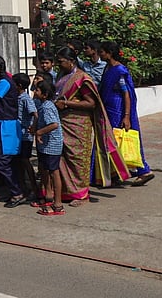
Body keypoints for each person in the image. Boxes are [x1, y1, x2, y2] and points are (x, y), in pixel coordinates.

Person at [54, 47, 129, 206]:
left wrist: (66, 103)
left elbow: (91, 103)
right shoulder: (62, 76)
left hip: (78, 125)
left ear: (71, 61)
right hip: (61, 123)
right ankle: (65, 191)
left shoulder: (82, 78)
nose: (57, 65)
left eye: (60, 62)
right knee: (61, 158)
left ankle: (81, 194)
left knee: (77, 160)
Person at [99, 41, 155, 186]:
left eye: (102, 52)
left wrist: (126, 116)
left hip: (118, 110)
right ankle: (115, 172)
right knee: (112, 142)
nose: (100, 54)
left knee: (121, 141)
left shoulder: (119, 71)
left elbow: (126, 94)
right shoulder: (108, 68)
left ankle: (143, 170)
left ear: (109, 53)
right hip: (109, 109)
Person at [0, 53, 25, 208]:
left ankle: (17, 192)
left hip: (5, 125)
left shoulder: (4, 82)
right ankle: (14, 190)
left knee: (1, 160)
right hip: (3, 124)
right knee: (7, 161)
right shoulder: (5, 81)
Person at [31, 77, 65, 216]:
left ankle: (58, 204)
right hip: (44, 145)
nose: (35, 91)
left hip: (52, 145)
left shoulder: (47, 106)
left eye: (37, 90)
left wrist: (39, 132)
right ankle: (49, 196)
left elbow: (54, 124)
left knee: (54, 172)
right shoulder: (42, 105)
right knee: (45, 170)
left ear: (44, 94)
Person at [12, 72, 39, 199]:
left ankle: (34, 188)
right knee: (18, 162)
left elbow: (34, 113)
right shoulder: (17, 97)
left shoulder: (26, 98)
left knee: (25, 160)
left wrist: (33, 127)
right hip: (17, 134)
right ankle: (23, 188)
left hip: (25, 135)